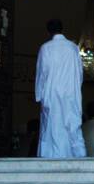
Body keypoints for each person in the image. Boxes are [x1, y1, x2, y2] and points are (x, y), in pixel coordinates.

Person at [34, 19, 85, 158]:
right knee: (72, 125)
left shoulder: (45, 48)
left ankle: (50, 158)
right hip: (70, 92)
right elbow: (80, 72)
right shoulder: (73, 47)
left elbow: (41, 73)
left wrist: (39, 95)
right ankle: (78, 156)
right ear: (62, 29)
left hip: (52, 92)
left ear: (49, 31)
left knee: (52, 127)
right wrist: (75, 88)